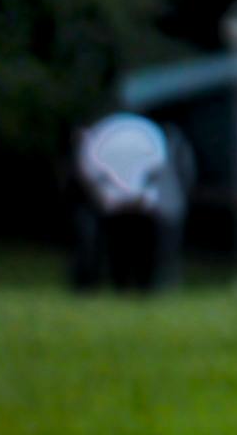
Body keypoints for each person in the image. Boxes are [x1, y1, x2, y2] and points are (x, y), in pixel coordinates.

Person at [69, 106, 188, 297]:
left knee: (135, 246)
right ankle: (126, 285)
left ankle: (140, 286)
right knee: (123, 246)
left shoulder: (137, 139)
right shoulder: (137, 137)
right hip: (127, 203)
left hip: (137, 205)